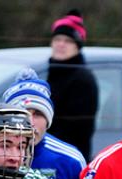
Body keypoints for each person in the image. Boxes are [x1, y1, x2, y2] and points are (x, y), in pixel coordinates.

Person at [47, 9, 99, 162]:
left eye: (68, 41)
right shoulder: (50, 72)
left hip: (66, 159)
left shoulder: (83, 79)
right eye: (57, 39)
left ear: (78, 46)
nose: (61, 44)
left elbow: (77, 130)